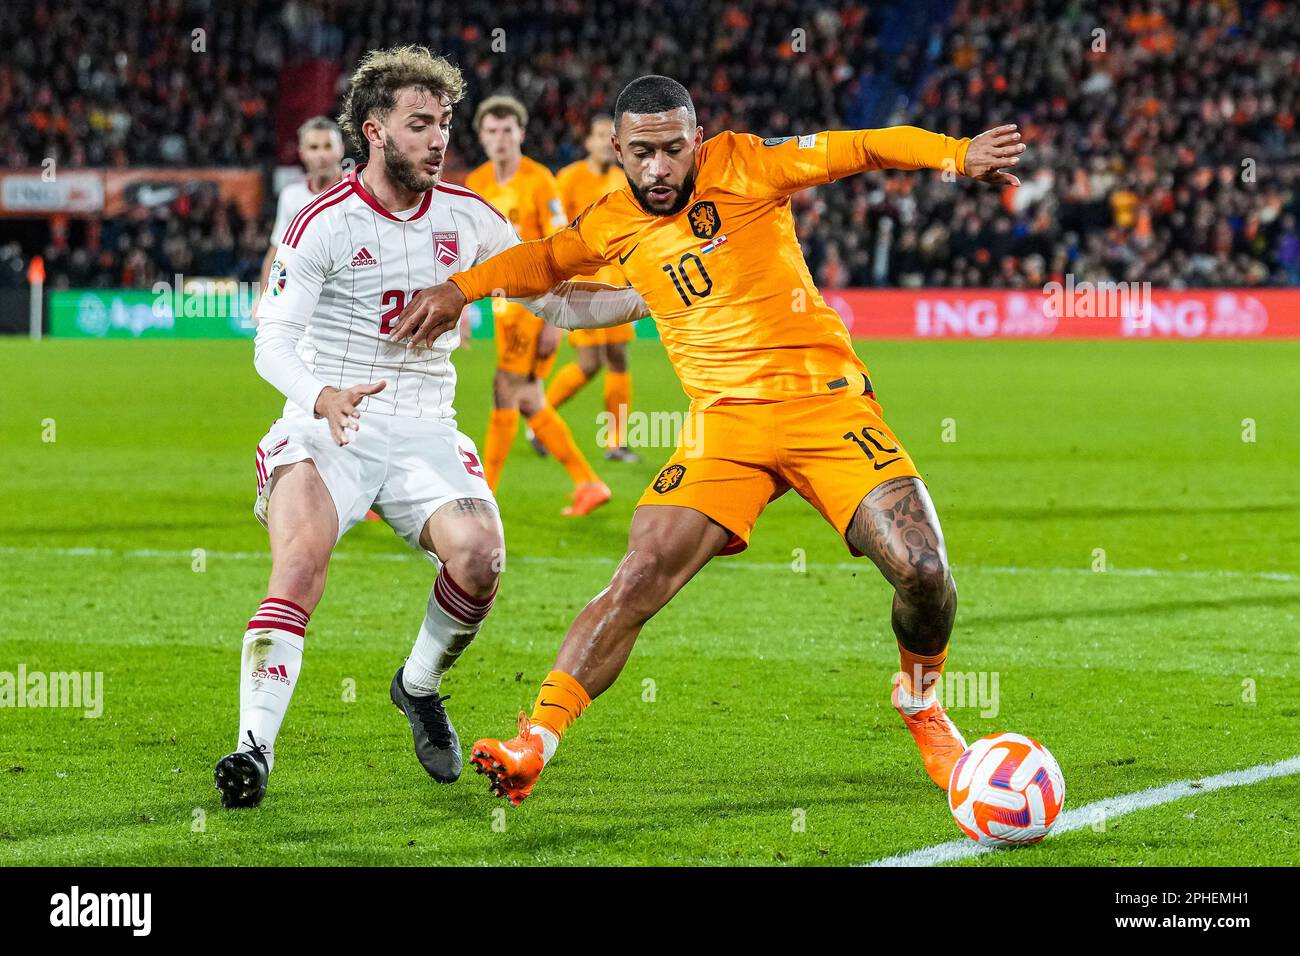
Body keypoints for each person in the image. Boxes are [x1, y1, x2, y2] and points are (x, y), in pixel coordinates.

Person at [388, 74, 1025, 806]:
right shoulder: (609, 220)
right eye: (640, 154)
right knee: (640, 573)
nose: (658, 169)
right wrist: (459, 288)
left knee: (923, 570)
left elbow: (862, 147)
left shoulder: (750, 162)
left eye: (671, 150)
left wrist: (954, 154)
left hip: (827, 406)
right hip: (725, 424)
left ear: (696, 139)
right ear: (618, 151)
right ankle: (538, 737)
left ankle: (921, 701)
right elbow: (544, 259)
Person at [213, 47, 645, 809]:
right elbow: (271, 339)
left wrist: (650, 295)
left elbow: (555, 300)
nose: (439, 139)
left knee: (481, 558)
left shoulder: (471, 217)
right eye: (420, 125)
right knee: (301, 566)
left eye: (444, 123)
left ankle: (417, 686)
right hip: (325, 427)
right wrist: (321, 397)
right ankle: (254, 749)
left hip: (424, 427)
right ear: (375, 132)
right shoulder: (322, 222)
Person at [465, 96, 611, 516]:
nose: (500, 139)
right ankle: (588, 482)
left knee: (504, 390)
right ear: (481, 136)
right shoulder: (477, 183)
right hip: (502, 308)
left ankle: (484, 494)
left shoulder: (541, 180)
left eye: (508, 130)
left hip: (535, 307)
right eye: (491, 131)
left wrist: (555, 318)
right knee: (529, 398)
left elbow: (557, 250)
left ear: (521, 134)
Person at [547, 115, 640, 462]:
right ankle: (540, 417)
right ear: (587, 142)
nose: (605, 142)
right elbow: (558, 235)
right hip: (581, 286)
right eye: (599, 135)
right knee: (589, 364)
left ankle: (616, 443)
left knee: (618, 359)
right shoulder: (568, 179)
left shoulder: (623, 180)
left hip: (616, 283)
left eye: (610, 136)